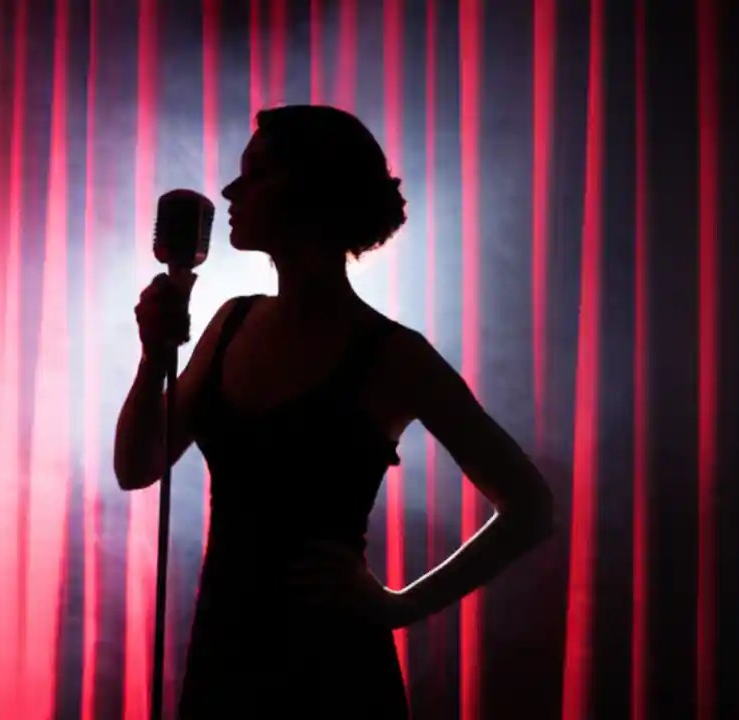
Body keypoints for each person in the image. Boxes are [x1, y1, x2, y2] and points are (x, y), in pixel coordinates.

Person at [114, 105, 554, 719]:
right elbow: (137, 466)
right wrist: (151, 357)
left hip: (335, 668)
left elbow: (531, 507)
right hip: (225, 653)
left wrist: (398, 605)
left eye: (258, 173)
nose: (231, 190)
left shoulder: (393, 355)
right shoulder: (230, 322)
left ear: (311, 191)